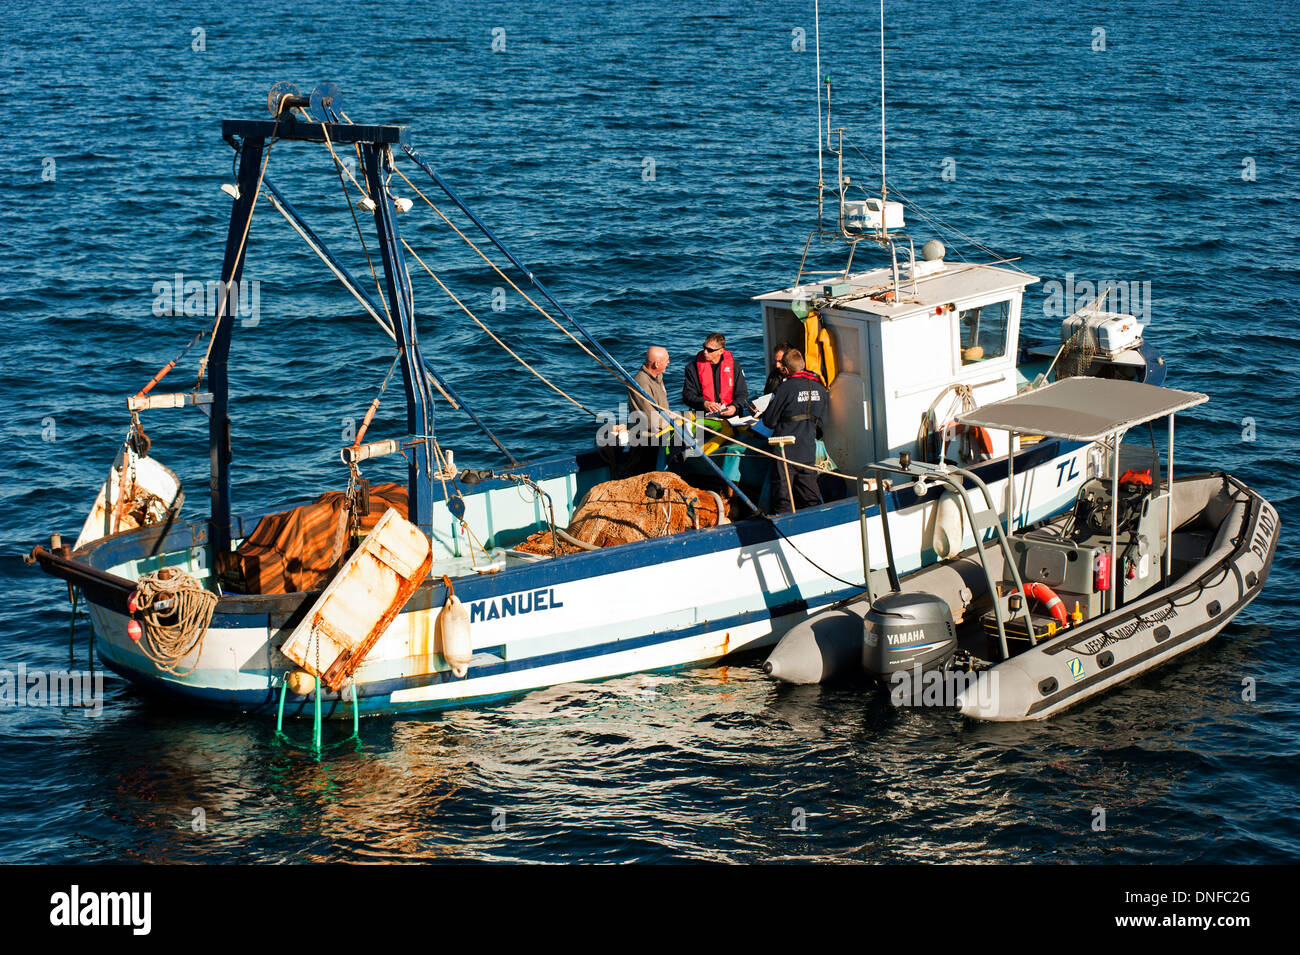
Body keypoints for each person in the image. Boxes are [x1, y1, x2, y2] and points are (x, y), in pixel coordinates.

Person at [760, 346, 828, 513]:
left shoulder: (785, 388)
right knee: (810, 496)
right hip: (807, 450)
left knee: (783, 498)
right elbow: (821, 423)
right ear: (803, 364)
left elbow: (769, 421)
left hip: (785, 451)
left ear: (785, 368)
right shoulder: (819, 388)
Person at [682, 332, 750, 419]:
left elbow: (742, 393)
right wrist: (705, 403)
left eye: (710, 350)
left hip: (731, 416)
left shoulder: (734, 367)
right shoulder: (692, 368)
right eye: (704, 348)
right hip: (703, 416)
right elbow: (687, 395)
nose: (705, 352)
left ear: (721, 351)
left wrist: (734, 407)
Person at [626, 346, 671, 472]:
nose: (669, 362)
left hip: (659, 436)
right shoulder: (642, 382)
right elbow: (650, 418)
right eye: (666, 360)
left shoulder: (658, 377)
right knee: (643, 474)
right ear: (657, 364)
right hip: (645, 440)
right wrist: (673, 422)